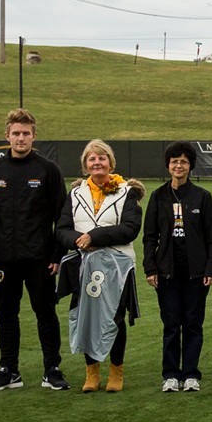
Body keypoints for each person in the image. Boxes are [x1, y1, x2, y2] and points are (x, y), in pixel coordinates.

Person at [0, 108, 70, 392]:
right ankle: (9, 370)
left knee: (45, 313)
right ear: (7, 136)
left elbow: (61, 218)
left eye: (26, 133)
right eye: (16, 133)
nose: (21, 138)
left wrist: (57, 255)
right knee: (6, 314)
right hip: (3, 258)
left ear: (34, 136)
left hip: (40, 259)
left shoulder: (48, 170)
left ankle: (52, 368)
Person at [55, 140, 144, 393]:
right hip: (84, 264)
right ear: (85, 165)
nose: (97, 163)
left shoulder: (128, 192)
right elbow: (61, 229)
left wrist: (94, 236)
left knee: (115, 318)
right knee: (86, 316)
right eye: (92, 159)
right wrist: (78, 241)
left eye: (102, 158)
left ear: (110, 163)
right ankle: (91, 372)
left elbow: (130, 228)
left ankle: (116, 370)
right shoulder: (74, 194)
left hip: (118, 264)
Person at [143, 142, 212, 392]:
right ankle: (171, 375)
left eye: (183, 162)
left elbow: (211, 238)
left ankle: (191, 374)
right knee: (171, 324)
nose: (178, 165)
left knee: (193, 324)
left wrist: (210, 269)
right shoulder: (158, 196)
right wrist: (150, 267)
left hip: (196, 273)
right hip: (167, 272)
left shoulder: (203, 197)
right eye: (174, 161)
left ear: (190, 166)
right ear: (168, 165)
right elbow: (150, 236)